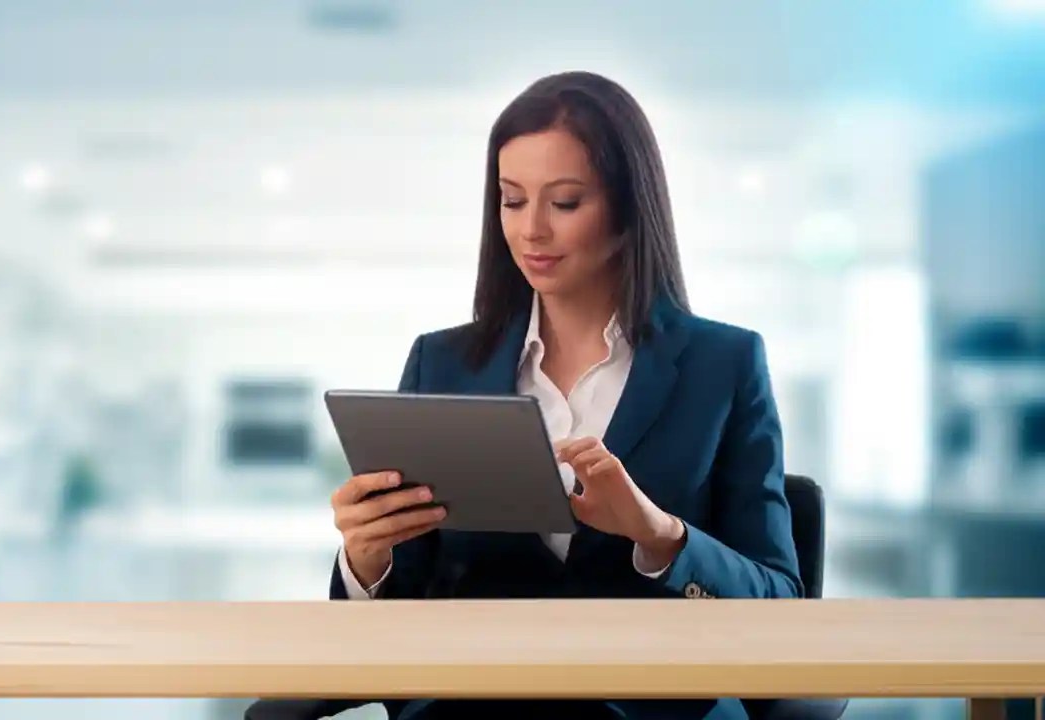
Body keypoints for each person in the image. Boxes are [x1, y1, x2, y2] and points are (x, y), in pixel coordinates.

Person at [327, 70, 803, 720]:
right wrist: (367, 559)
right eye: (512, 200)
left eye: (566, 202)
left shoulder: (723, 366)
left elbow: (782, 609)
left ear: (630, 211)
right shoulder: (441, 364)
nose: (531, 231)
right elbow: (395, 613)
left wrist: (659, 534)